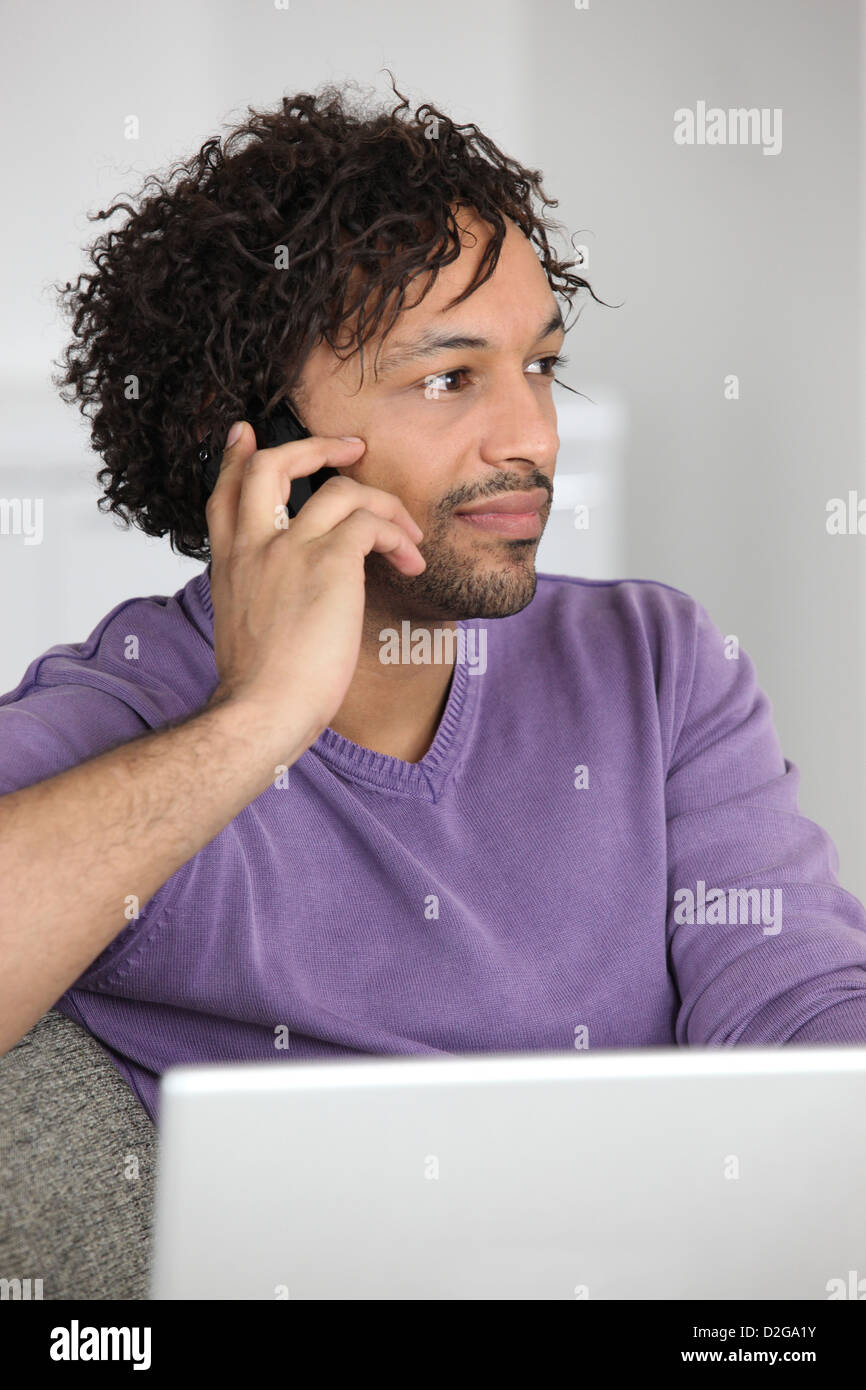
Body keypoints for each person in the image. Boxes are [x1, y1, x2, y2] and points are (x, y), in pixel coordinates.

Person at [2, 79, 865, 1126]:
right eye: (450, 379)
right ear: (257, 435)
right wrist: (257, 719)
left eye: (540, 365)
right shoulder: (129, 712)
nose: (533, 437)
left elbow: (796, 1007)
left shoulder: (655, 664)